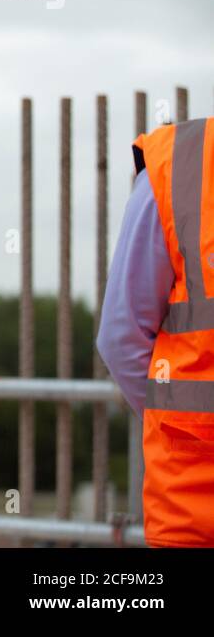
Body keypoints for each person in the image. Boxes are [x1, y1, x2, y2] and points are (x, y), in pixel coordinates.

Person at [98, 116, 214, 547]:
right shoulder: (178, 164)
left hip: (193, 506)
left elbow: (121, 337)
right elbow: (121, 339)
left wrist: (176, 424)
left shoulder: (179, 162)